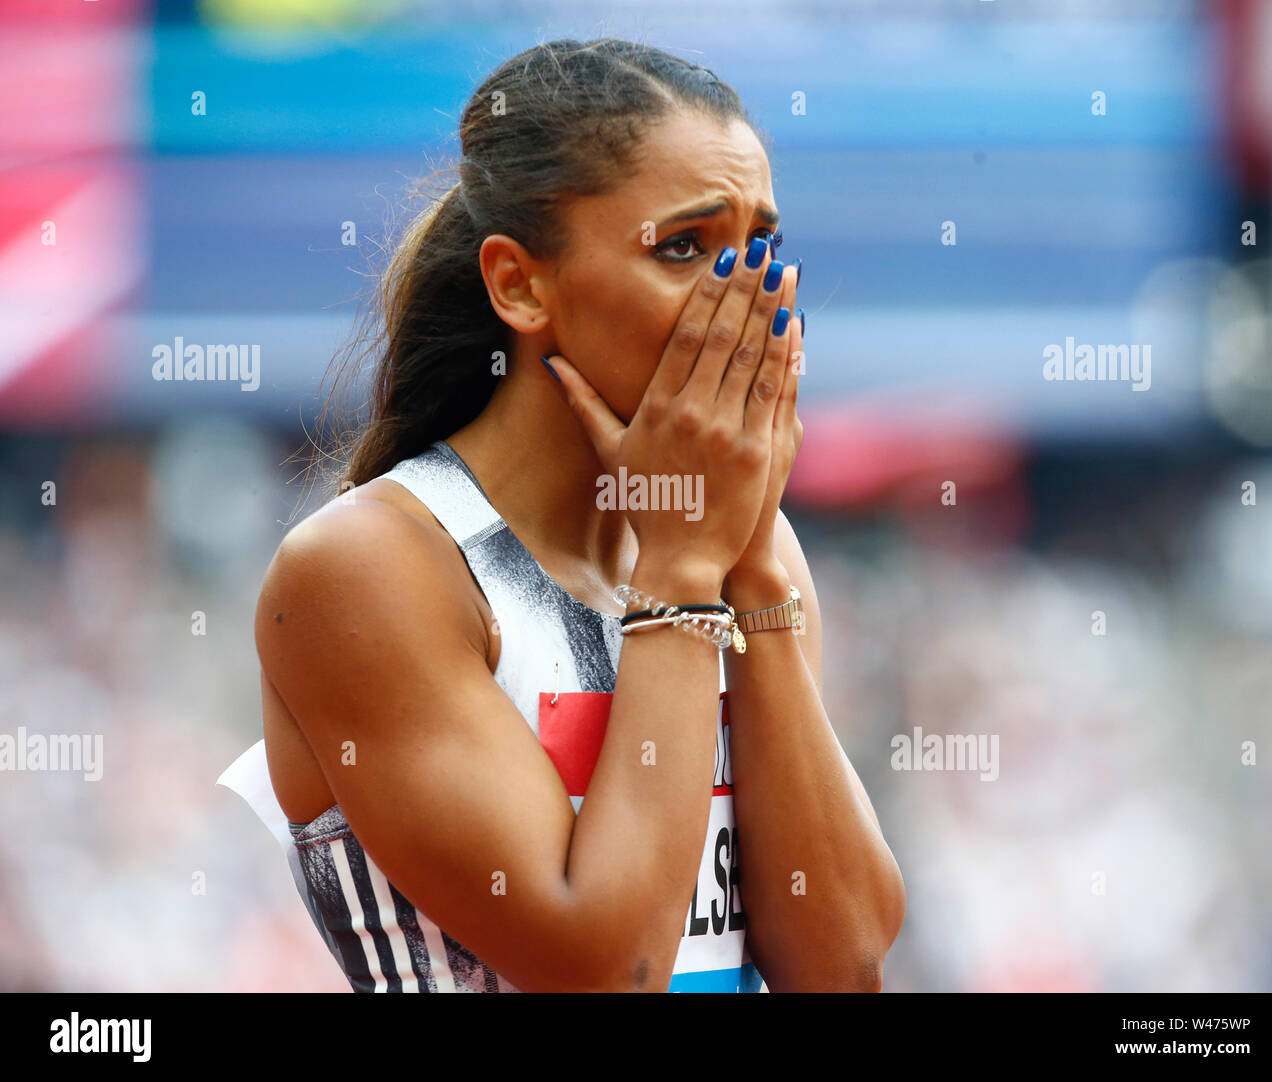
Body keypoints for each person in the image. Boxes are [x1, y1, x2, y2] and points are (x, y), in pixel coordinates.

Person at [218, 37, 905, 993]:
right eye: (683, 248)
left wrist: (743, 562)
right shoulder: (372, 566)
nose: (742, 301)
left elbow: (846, 966)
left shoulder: (750, 550)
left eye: (758, 250)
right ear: (520, 284)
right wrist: (681, 572)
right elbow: (605, 969)